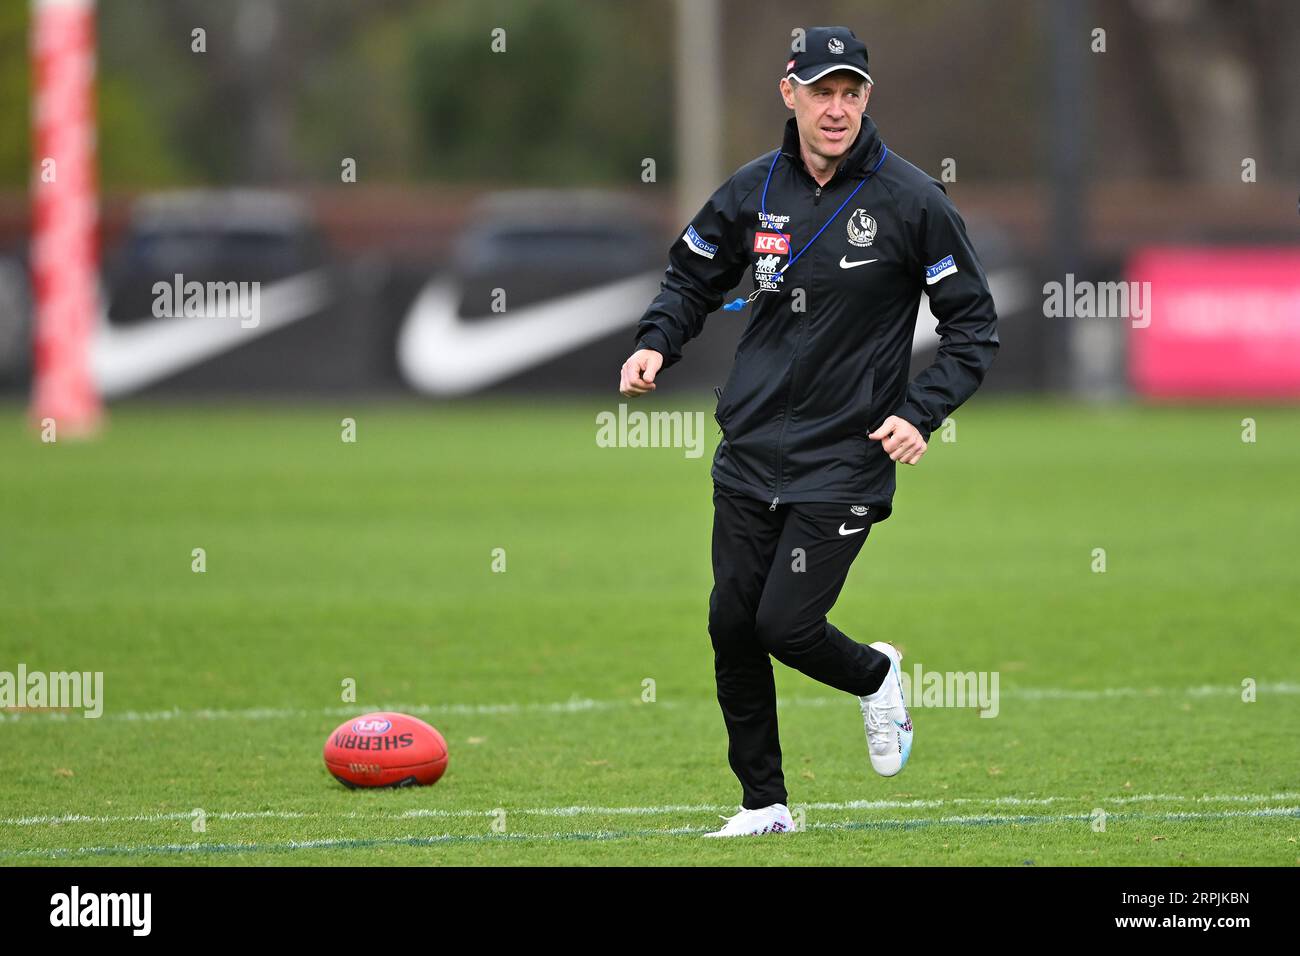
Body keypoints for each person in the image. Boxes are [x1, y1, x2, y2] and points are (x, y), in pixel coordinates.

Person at [619, 26, 999, 837]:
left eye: (851, 92)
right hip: (751, 449)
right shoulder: (752, 192)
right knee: (731, 624)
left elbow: (973, 328)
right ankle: (764, 805)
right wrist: (657, 340)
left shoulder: (914, 202)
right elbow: (692, 275)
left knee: (783, 624)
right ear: (788, 94)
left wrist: (917, 411)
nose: (837, 108)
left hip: (847, 457)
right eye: (822, 91)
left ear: (867, 100)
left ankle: (874, 676)